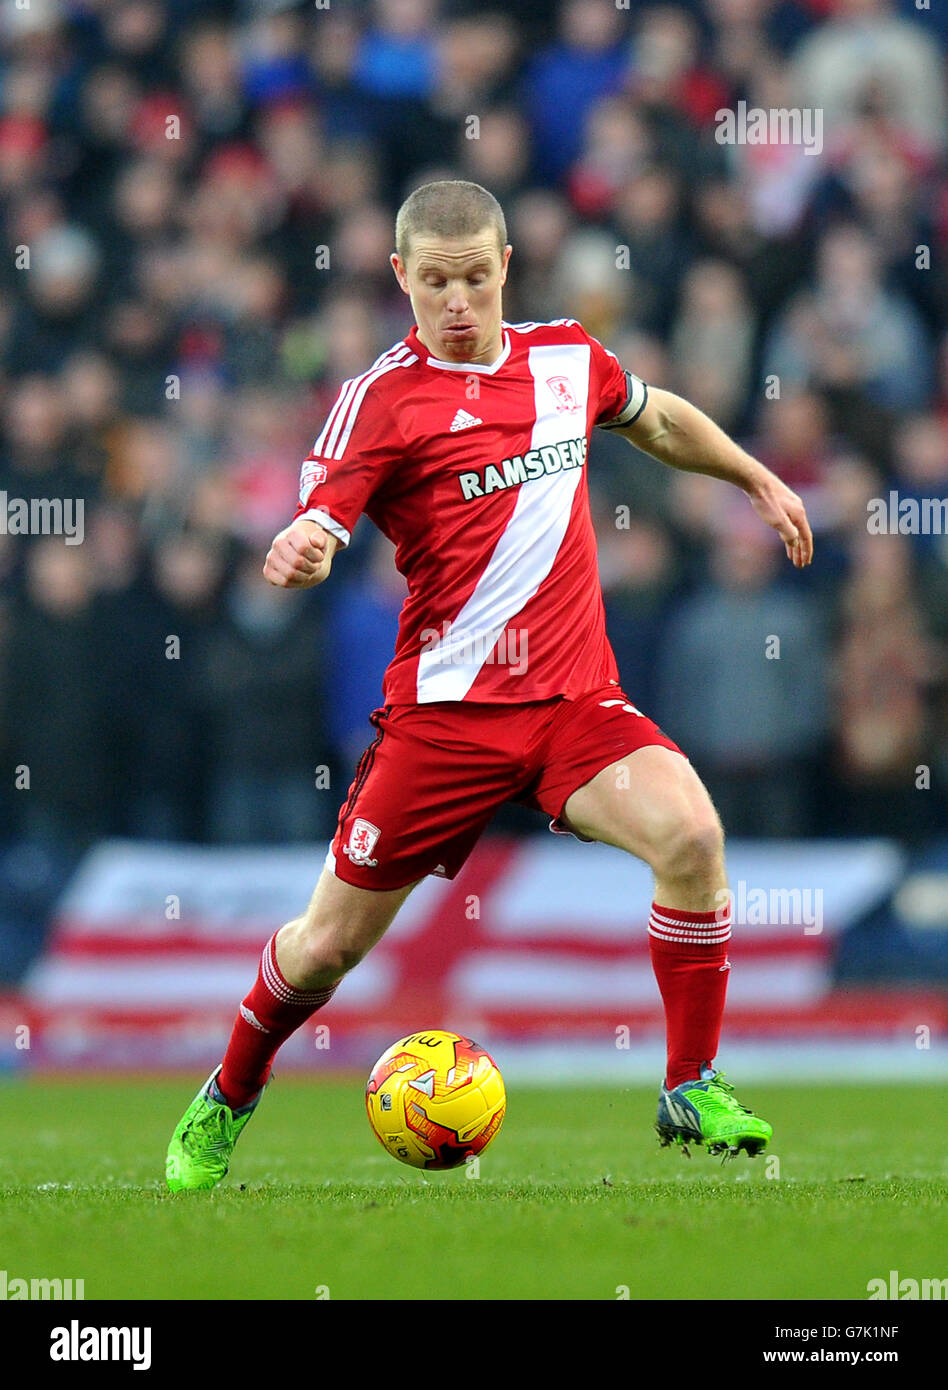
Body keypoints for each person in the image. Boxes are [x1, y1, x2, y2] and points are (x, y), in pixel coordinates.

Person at [165, 180, 813, 1190]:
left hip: (572, 705)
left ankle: (692, 1083)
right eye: (435, 282)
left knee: (691, 836)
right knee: (327, 947)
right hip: (444, 721)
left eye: (475, 277)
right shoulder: (380, 398)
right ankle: (229, 1092)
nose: (458, 302)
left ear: (506, 265)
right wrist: (303, 542)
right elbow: (323, 514)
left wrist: (751, 476)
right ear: (400, 280)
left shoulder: (565, 357)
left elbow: (653, 416)